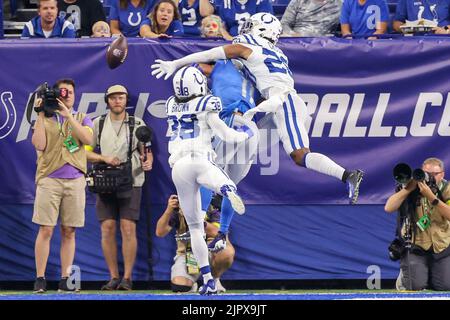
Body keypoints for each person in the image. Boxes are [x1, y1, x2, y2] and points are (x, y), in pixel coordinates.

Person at [151, 12, 364, 205]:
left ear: (259, 29)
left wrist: (176, 63)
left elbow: (213, 53)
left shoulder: (247, 44)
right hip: (281, 102)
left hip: (281, 102)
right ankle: (347, 176)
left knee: (288, 152)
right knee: (297, 156)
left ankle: (348, 175)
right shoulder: (278, 52)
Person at [164, 66, 253, 294]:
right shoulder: (208, 103)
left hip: (179, 167)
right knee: (228, 187)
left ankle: (207, 279)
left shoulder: (170, 105)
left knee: (194, 228)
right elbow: (224, 133)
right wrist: (246, 134)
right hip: (200, 159)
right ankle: (225, 199)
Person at [86, 85, 153, 291]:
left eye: (121, 97)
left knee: (128, 227)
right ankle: (113, 276)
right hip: (105, 180)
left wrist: (148, 161)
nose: (117, 101)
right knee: (107, 228)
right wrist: (103, 158)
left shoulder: (137, 123)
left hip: (131, 179)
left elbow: (147, 151)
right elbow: (83, 152)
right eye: (113, 97)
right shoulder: (98, 123)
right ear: (107, 101)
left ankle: (128, 278)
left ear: (126, 100)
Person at [31, 78, 94, 293]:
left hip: (75, 180)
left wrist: (67, 115)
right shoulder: (45, 118)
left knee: (69, 231)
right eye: (62, 92)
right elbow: (39, 144)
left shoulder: (82, 118)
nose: (66, 96)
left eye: (70, 93)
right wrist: (40, 113)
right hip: (49, 179)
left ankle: (66, 278)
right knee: (46, 229)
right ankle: (40, 277)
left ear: (75, 97)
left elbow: (87, 140)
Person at [193, 60, 259, 253]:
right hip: (251, 128)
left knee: (208, 174)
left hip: (231, 120)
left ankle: (199, 221)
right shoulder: (258, 72)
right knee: (230, 185)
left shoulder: (222, 63)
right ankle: (222, 233)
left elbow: (202, 66)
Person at [385, 158, 450, 291]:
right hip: (416, 245)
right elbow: (389, 208)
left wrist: (432, 197)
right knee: (414, 286)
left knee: (445, 286)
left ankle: (429, 275)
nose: (430, 177)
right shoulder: (412, 186)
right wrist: (408, 189)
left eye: (434, 174)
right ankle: (408, 277)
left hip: (441, 245)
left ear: (442, 174)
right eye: (427, 173)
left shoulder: (447, 188)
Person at [156, 194, 234, 293]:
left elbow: (217, 232)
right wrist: (169, 210)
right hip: (188, 254)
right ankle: (192, 283)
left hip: (210, 251)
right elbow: (160, 232)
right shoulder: (180, 210)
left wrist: (197, 222)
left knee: (227, 252)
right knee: (180, 287)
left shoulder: (213, 207)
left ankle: (214, 279)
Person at [204, 0, 274, 37]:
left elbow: (267, 27)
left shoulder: (262, 2)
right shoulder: (226, 2)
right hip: (231, 43)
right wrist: (229, 38)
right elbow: (222, 27)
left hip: (255, 44)